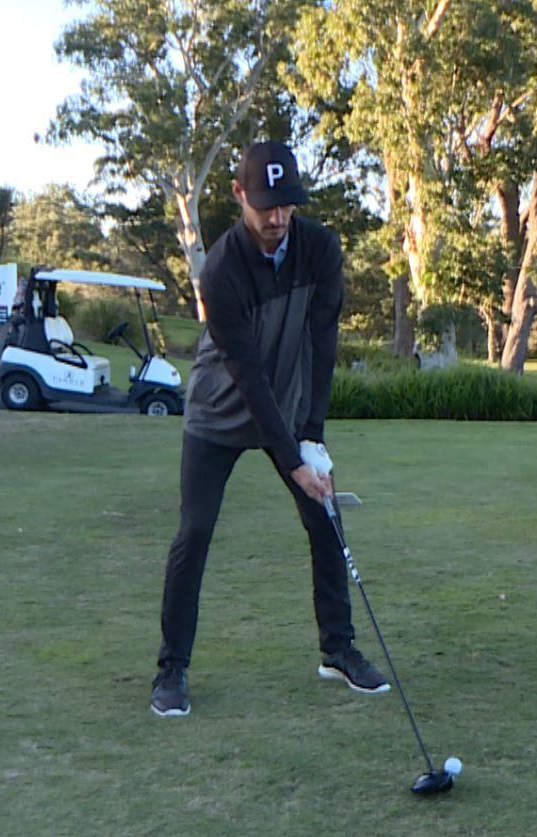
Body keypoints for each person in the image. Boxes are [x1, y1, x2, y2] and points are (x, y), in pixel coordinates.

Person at [150, 140, 390, 718]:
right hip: (218, 414)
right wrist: (293, 461)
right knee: (195, 533)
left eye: (286, 205)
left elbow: (321, 343)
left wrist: (314, 437)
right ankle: (171, 669)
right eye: (265, 207)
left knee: (324, 518)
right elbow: (249, 375)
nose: (277, 219)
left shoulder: (321, 249)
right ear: (238, 196)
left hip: (289, 410)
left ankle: (338, 650)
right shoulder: (222, 270)